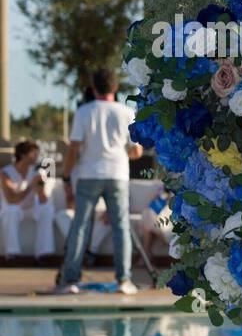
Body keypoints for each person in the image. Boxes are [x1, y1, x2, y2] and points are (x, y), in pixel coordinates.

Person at [55, 69, 145, 295]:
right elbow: (136, 151)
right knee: (121, 227)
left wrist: (65, 176)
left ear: (93, 88)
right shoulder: (126, 112)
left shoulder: (84, 112)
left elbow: (74, 149)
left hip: (88, 174)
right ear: (115, 88)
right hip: (117, 174)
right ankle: (124, 280)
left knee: (80, 227)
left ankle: (70, 280)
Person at [1, 140, 56, 263]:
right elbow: (11, 200)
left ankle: (43, 254)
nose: (36, 156)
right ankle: (11, 255)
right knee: (12, 210)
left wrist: (40, 188)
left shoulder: (37, 172)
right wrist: (30, 186)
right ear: (22, 155)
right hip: (12, 208)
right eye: (33, 153)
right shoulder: (6, 173)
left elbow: (43, 200)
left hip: (31, 209)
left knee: (47, 209)